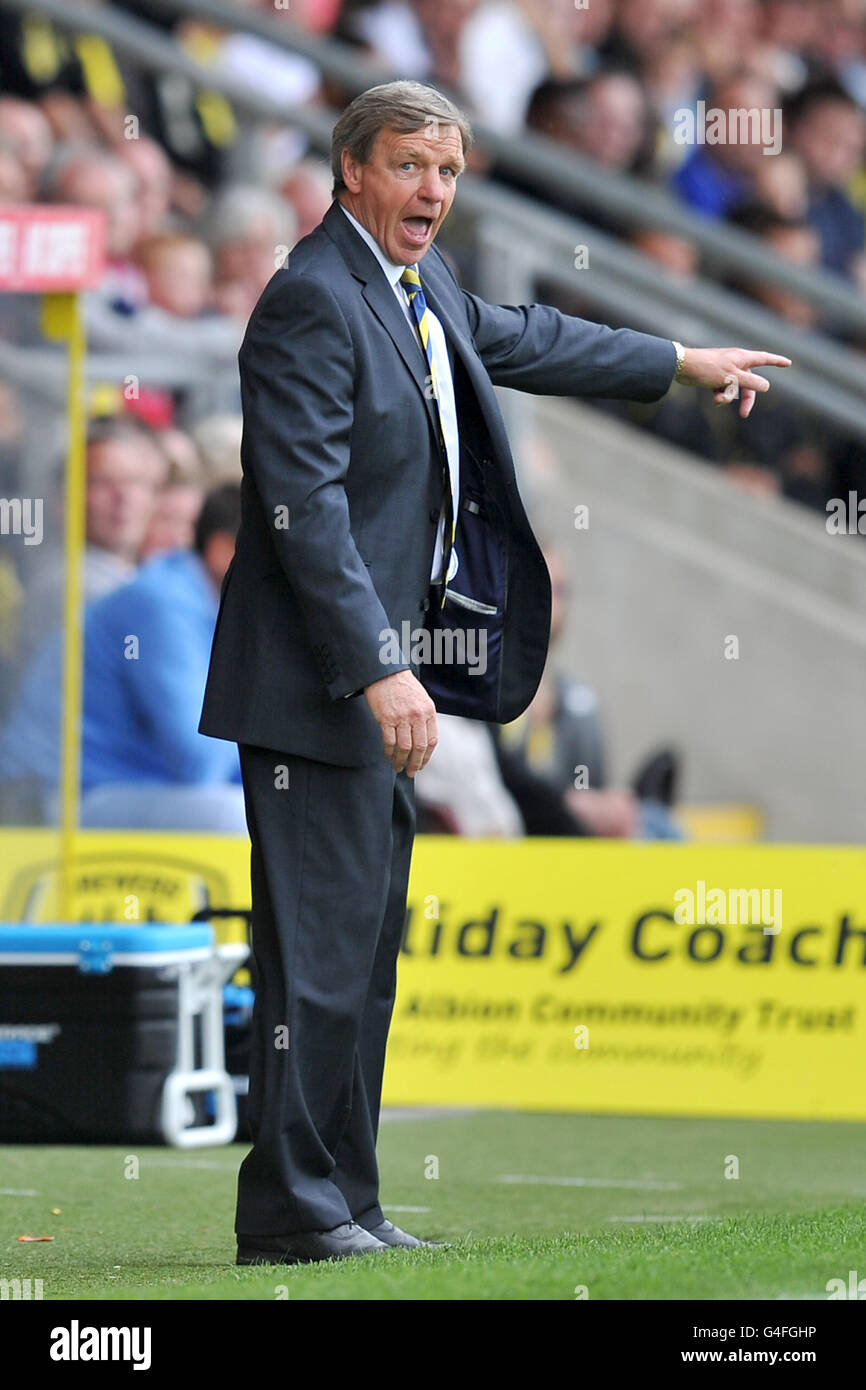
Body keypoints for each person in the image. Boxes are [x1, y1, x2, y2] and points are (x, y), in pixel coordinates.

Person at [198, 79, 790, 1268]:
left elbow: (526, 336)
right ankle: (292, 1206)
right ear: (352, 170)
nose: (434, 191)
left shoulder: (418, 288)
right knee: (314, 963)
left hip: (378, 685)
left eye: (450, 171)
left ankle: (339, 1203)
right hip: (326, 686)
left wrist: (676, 357)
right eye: (412, 167)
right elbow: (302, 509)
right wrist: (380, 670)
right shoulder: (312, 298)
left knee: (360, 960)